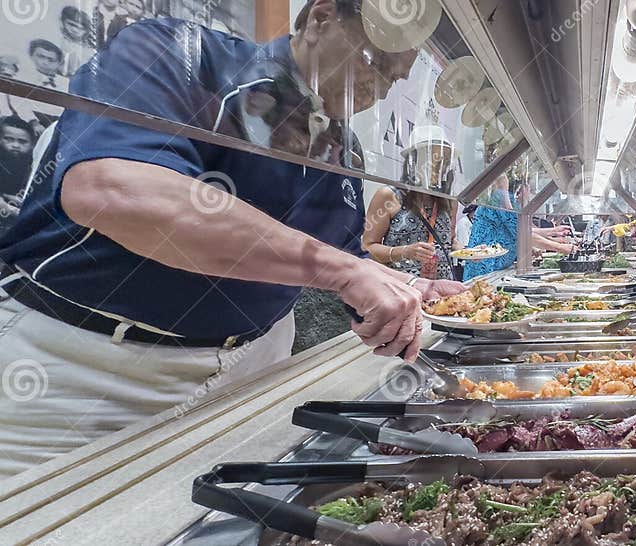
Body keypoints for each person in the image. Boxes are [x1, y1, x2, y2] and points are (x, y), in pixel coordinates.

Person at [0, 0, 463, 479]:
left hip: (253, 365)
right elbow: (115, 192)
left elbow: (339, 256)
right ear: (320, 19)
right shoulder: (178, 53)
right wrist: (344, 271)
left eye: (393, 77)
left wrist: (403, 289)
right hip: (84, 366)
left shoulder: (341, 147)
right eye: (376, 61)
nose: (378, 85)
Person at [463, 176, 574, 280]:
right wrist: (562, 248)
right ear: (522, 187)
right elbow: (523, 234)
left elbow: (517, 229)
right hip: (485, 268)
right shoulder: (500, 198)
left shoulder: (508, 201)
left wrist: (553, 231)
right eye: (529, 189)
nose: (530, 194)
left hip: (493, 267)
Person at [362, 187, 456, 280]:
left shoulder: (449, 198)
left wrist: (465, 250)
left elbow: (449, 240)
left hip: (443, 288)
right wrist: (404, 251)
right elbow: (368, 247)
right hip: (402, 288)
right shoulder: (389, 195)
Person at [0, 117, 34, 235]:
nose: (15, 145)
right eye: (8, 139)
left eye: (22, 141)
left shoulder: (33, 166)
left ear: (32, 145)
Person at [58, 6, 97, 77]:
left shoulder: (89, 49)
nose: (74, 30)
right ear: (63, 21)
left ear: (86, 31)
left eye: (80, 28)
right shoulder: (58, 39)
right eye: (71, 24)